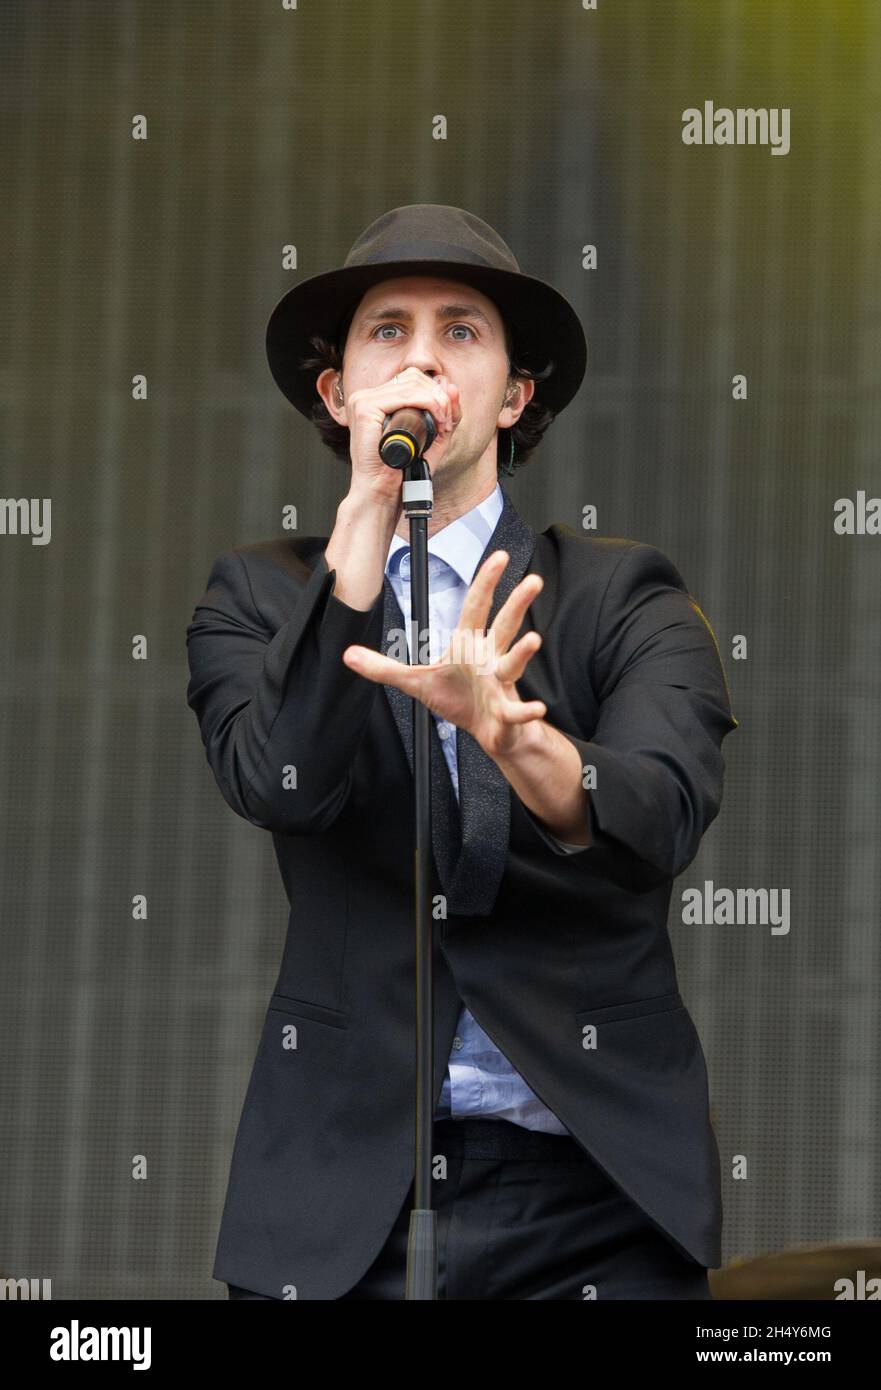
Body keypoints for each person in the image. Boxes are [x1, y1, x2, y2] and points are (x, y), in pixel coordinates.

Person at [185, 204, 739, 1300]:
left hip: (592, 1192)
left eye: (461, 331)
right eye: (385, 331)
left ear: (515, 395)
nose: (423, 356)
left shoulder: (624, 592)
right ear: (337, 395)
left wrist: (516, 744)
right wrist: (361, 542)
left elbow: (659, 806)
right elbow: (277, 782)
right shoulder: (258, 595)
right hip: (344, 1189)